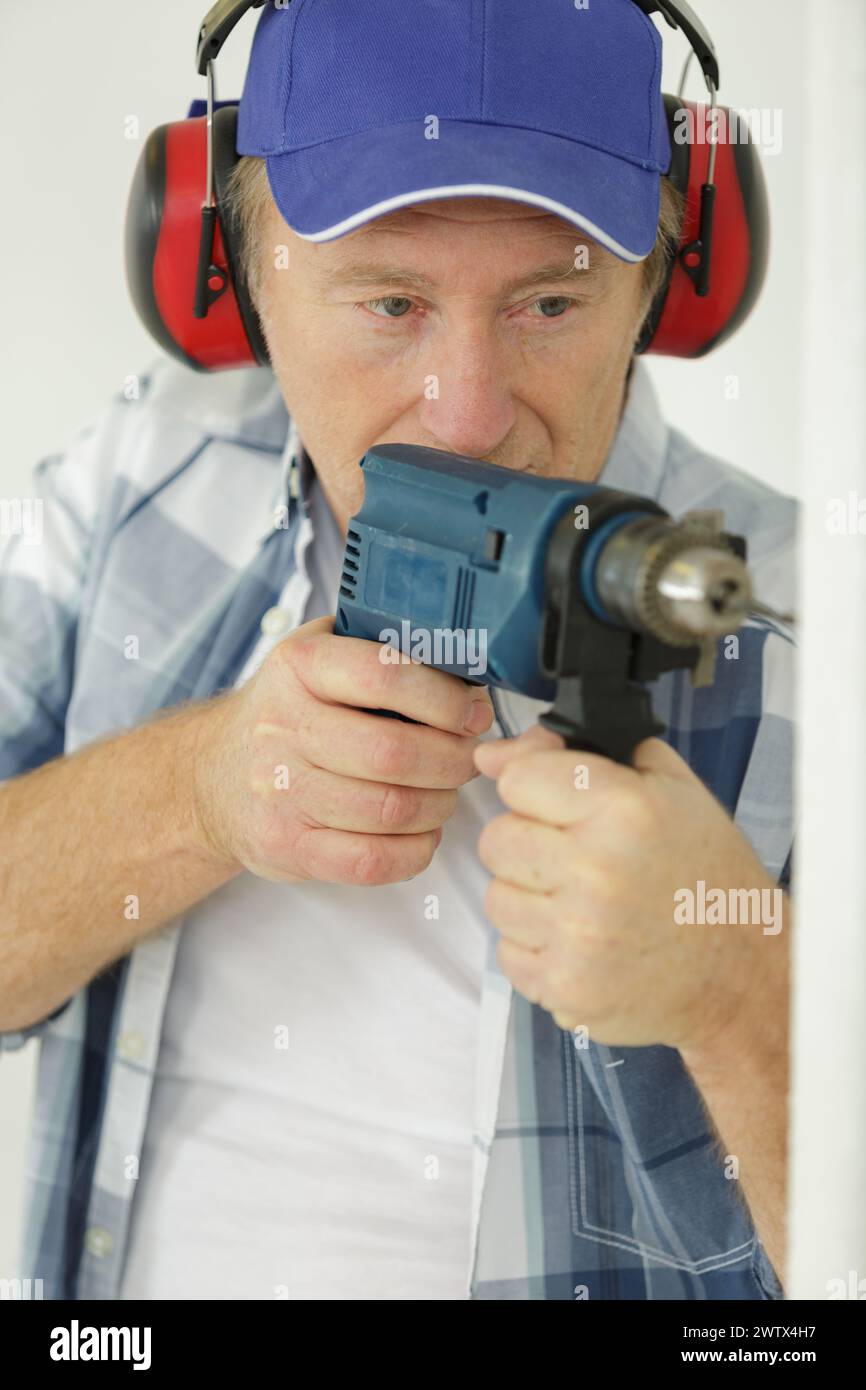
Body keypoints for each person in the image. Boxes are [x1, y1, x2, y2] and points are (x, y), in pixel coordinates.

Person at [0, 0, 794, 1300]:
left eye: (548, 300)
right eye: (388, 301)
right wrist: (197, 794)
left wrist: (739, 989)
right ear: (235, 275)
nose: (467, 413)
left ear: (667, 275)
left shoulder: (809, 620)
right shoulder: (136, 484)